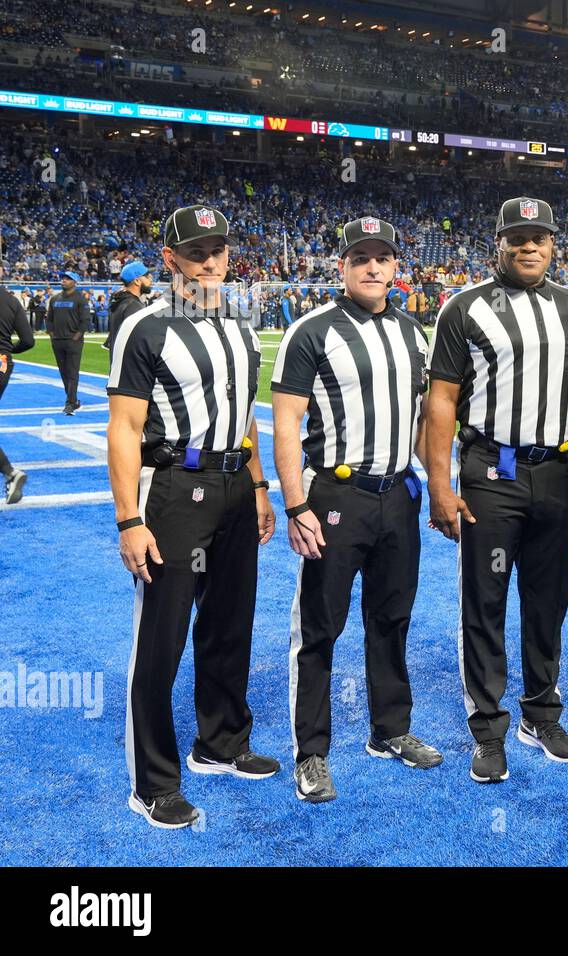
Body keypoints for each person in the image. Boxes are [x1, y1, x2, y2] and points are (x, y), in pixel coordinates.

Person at [107, 204, 279, 830]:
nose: (210, 261)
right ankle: (152, 783)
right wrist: (129, 518)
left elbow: (247, 417)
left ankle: (222, 741)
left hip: (235, 483)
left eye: (219, 249)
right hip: (176, 487)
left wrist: (260, 487)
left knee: (230, 624)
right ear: (170, 258)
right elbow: (124, 427)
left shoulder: (240, 325)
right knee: (162, 636)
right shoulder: (144, 327)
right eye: (197, 251)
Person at [272, 216, 442, 804]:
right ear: (342, 266)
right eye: (362, 258)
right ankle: (312, 751)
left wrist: (440, 484)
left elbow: (423, 423)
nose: (374, 267)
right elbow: (288, 424)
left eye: (384, 258)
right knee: (320, 627)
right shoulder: (312, 331)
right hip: (337, 493)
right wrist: (295, 503)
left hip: (399, 493)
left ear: (397, 266)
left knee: (392, 619)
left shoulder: (414, 332)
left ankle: (390, 730)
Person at [426, 197, 568, 784]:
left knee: (548, 600)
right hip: (490, 470)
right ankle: (488, 726)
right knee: (486, 601)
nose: (529, 247)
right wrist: (440, 485)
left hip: (555, 472)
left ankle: (541, 712)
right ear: (498, 242)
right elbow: (441, 401)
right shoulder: (463, 308)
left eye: (539, 237)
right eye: (517, 237)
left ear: (553, 244)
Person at [0, 274, 35, 503]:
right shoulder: (11, 301)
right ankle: (10, 473)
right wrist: (7, 349)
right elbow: (28, 340)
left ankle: (10, 472)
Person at [47, 270, 92, 415]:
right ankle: (73, 399)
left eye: (67, 278)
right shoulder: (54, 299)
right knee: (63, 372)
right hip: (57, 341)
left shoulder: (80, 299)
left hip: (73, 342)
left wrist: (76, 337)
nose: (63, 280)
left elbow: (85, 320)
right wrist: (52, 335)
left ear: (75, 282)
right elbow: (49, 319)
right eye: (63, 278)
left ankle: (70, 403)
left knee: (72, 372)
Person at [106, 261, 153, 358]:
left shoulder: (121, 300)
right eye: (147, 277)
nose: (150, 279)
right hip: (130, 366)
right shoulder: (133, 305)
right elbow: (139, 341)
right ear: (137, 281)